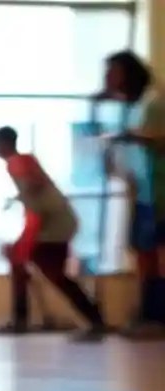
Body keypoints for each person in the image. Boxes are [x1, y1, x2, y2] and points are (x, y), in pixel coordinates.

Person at [0, 127, 107, 340]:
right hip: (56, 223)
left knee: (53, 274)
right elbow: (34, 189)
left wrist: (27, 235)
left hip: (54, 226)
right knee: (22, 263)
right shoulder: (24, 161)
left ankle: (94, 321)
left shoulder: (17, 163)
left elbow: (35, 192)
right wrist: (19, 200)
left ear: (4, 144)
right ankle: (21, 319)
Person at [102, 51, 164, 338]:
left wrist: (134, 137)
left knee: (156, 255)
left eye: (114, 72)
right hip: (143, 193)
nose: (109, 79)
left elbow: (158, 139)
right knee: (143, 254)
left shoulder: (155, 102)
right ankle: (148, 314)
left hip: (160, 192)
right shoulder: (132, 106)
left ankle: (156, 316)